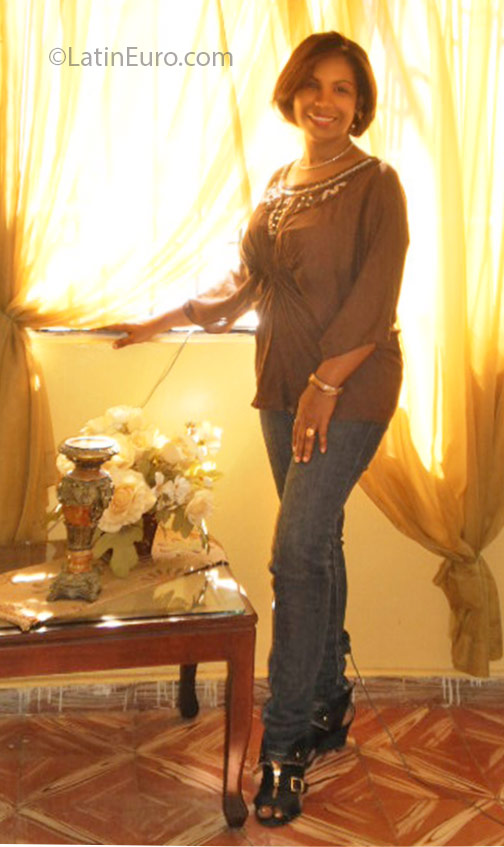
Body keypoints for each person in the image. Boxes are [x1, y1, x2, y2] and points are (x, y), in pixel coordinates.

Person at [104, 31, 409, 827]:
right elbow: (244, 280)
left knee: (295, 552)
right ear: (292, 92)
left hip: (351, 388)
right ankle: (330, 693)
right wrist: (162, 319)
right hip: (279, 386)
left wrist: (324, 386)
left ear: (360, 105)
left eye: (343, 89)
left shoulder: (378, 184)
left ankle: (285, 742)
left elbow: (375, 300)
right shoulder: (278, 184)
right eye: (314, 85)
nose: (325, 101)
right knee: (319, 541)